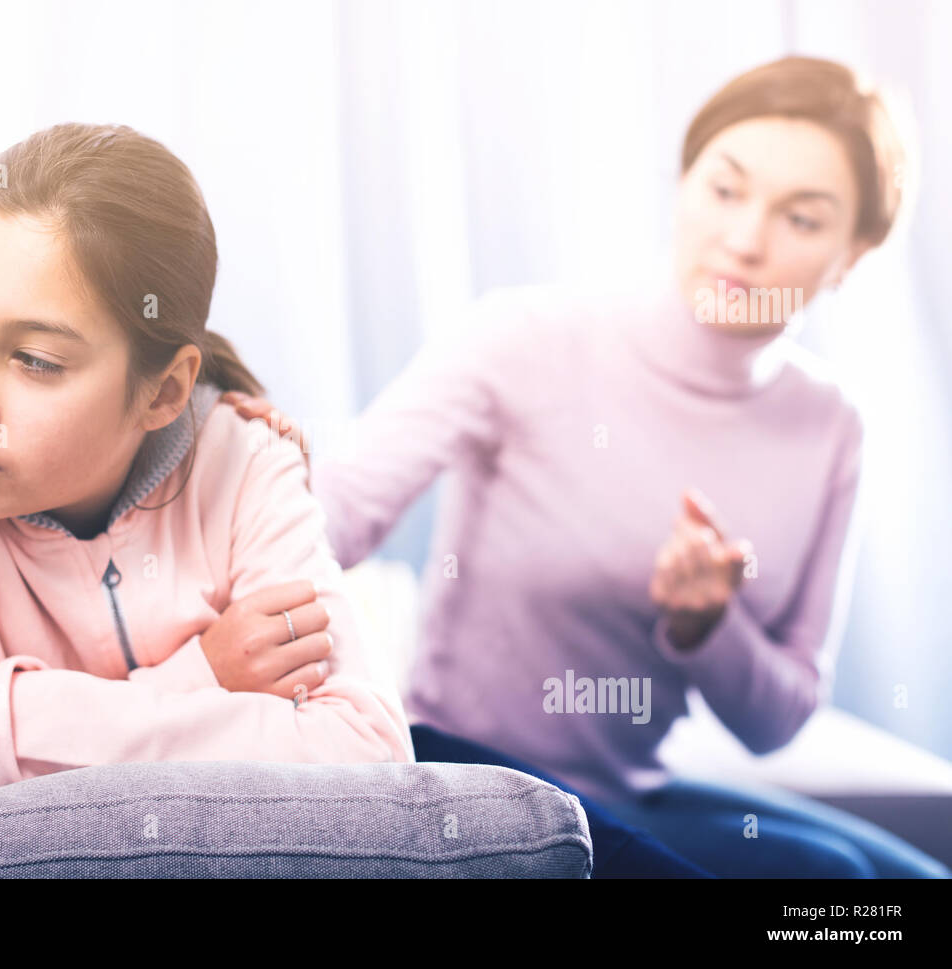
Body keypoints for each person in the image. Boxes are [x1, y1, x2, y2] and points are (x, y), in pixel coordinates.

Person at [223, 56, 949, 877]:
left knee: (893, 886)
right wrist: (228, 477)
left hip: (635, 790)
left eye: (802, 220)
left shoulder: (831, 425)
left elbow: (778, 717)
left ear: (853, 255)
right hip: (470, 777)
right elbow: (338, 513)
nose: (745, 240)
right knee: (841, 892)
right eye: (725, 189)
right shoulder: (525, 339)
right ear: (684, 183)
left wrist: (708, 629)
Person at [0, 122, 414, 829]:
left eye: (36, 361)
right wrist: (198, 681)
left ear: (164, 392)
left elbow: (373, 763)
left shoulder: (246, 460)